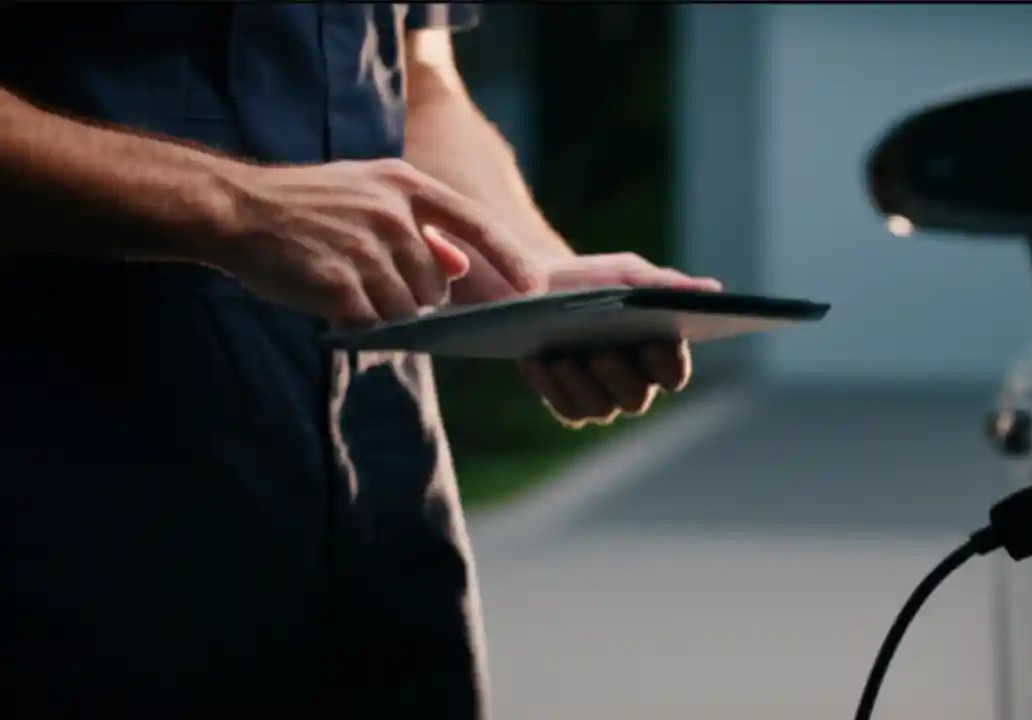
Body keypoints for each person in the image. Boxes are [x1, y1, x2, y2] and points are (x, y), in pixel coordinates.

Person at [0, 4, 719, 717]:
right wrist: (236, 209)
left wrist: (532, 280)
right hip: (73, 516)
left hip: (386, 509)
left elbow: (421, 85)